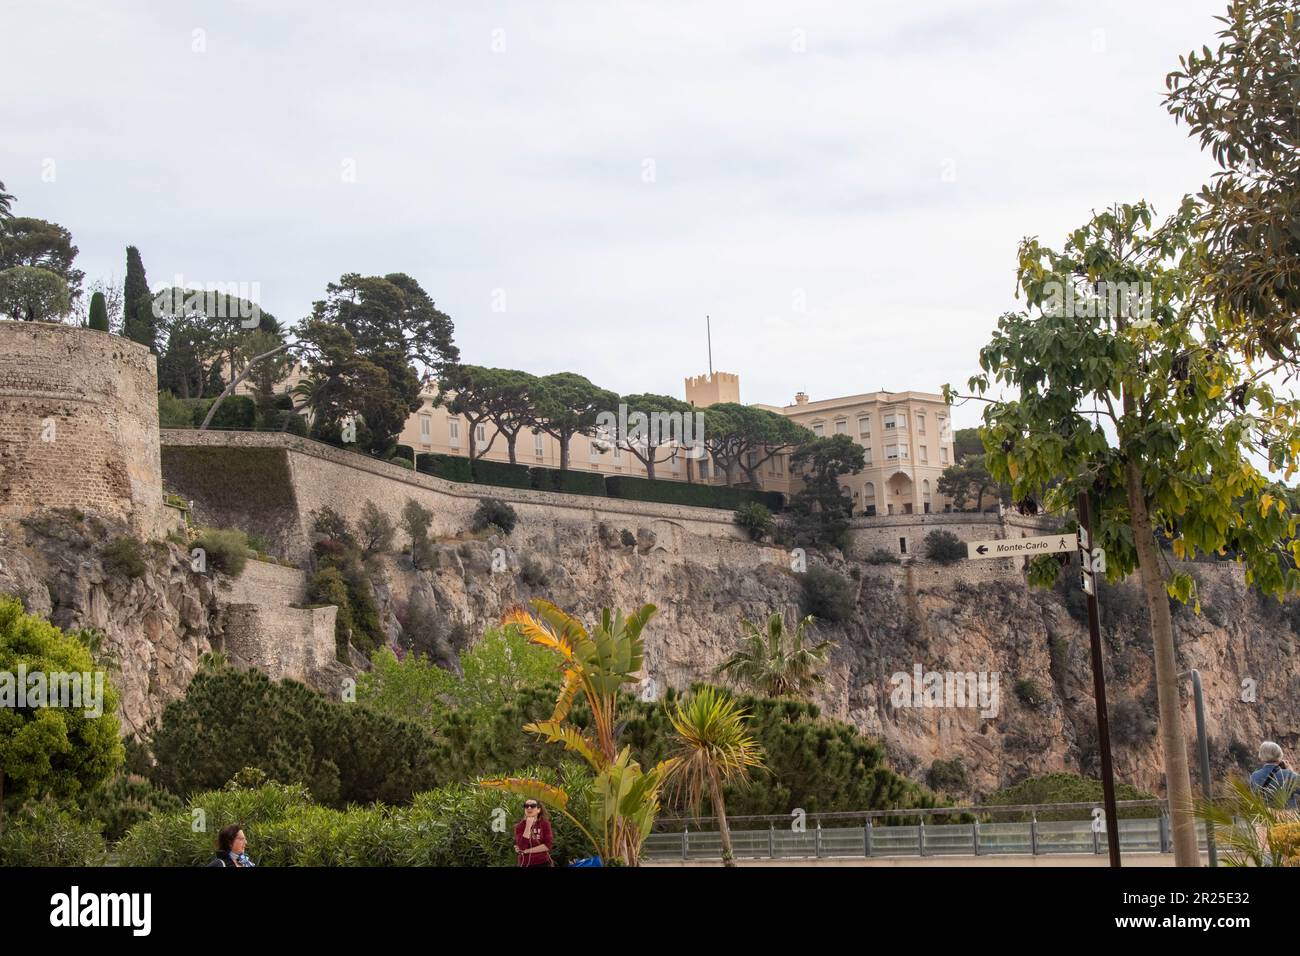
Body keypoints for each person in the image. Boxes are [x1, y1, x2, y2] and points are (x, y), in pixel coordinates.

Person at [1249, 741, 1299, 809]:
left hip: (1266, 817)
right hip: (1287, 817)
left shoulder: (1254, 776)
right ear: (1279, 754)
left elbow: (1255, 797)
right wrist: (1291, 771)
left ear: (1261, 756)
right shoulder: (1288, 774)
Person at [514, 800, 554, 867]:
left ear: (538, 810)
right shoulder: (520, 826)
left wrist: (527, 851)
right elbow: (521, 847)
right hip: (525, 863)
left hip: (543, 862)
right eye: (526, 806)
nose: (529, 808)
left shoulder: (545, 824)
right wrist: (528, 826)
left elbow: (547, 846)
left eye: (532, 806)